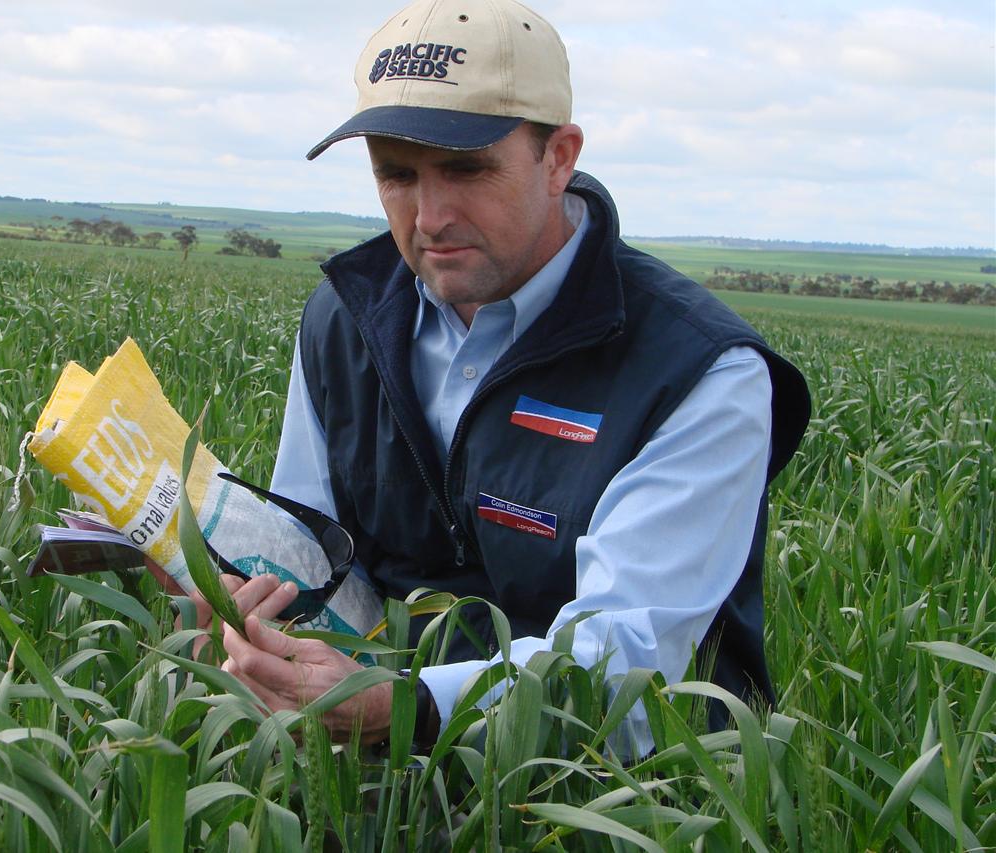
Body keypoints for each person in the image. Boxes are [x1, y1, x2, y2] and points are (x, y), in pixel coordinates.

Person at [202, 0, 810, 756]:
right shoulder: (345, 318)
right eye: (396, 175)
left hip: (625, 798)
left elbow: (628, 666)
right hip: (364, 762)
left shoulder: (697, 371)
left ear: (559, 157)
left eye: (466, 169)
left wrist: (413, 707)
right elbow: (308, 541)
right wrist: (253, 601)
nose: (428, 216)